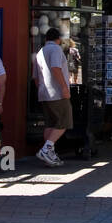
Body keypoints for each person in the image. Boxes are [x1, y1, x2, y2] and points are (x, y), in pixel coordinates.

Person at [33, 27, 71, 167]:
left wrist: (42, 89)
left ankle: (49, 155)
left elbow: (35, 77)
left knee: (50, 124)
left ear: (46, 39)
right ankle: (46, 149)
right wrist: (64, 87)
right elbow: (56, 68)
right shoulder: (56, 49)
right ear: (58, 39)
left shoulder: (40, 52)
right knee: (64, 121)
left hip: (44, 93)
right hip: (57, 93)